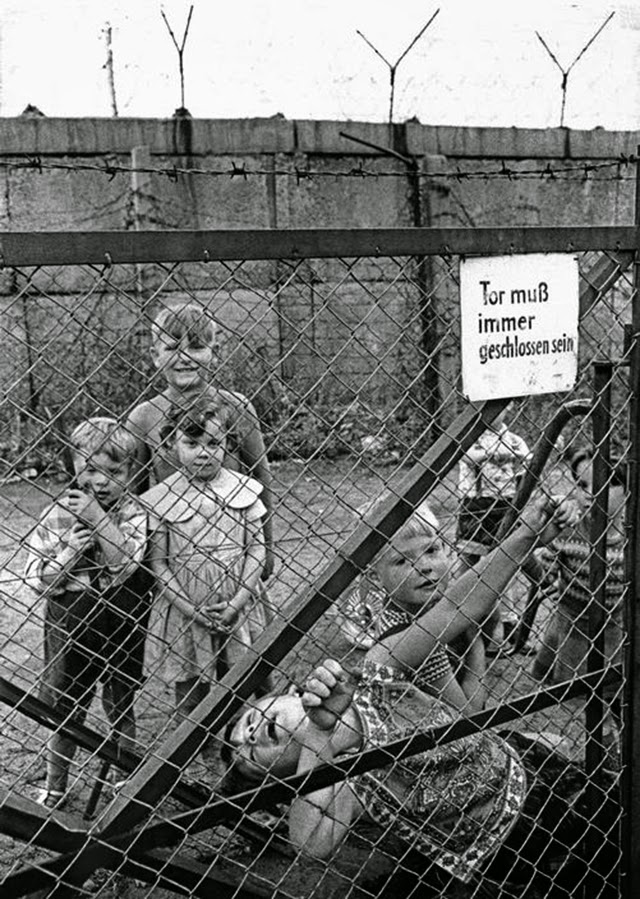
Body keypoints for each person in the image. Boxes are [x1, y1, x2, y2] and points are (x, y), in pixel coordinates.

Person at [223, 494, 619, 896]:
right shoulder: (343, 781)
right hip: (517, 837)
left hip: (527, 771)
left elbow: (456, 606)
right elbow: (310, 845)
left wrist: (528, 533)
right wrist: (317, 734)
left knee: (615, 808)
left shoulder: (377, 668)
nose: (249, 734)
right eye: (250, 753)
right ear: (282, 778)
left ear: (289, 694)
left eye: (249, 719)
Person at [23, 417, 150, 809]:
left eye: (115, 471)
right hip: (70, 619)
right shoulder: (56, 515)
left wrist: (97, 519)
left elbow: (124, 565)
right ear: (75, 467)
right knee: (65, 709)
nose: (102, 481)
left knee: (120, 703)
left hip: (120, 618)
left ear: (130, 472)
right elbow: (36, 578)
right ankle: (55, 783)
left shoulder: (133, 513)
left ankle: (124, 776)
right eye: (92, 470)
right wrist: (69, 554)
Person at [141, 395, 268, 769]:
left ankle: (243, 748)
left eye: (213, 443)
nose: (203, 453)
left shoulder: (244, 489)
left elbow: (256, 552)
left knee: (241, 677)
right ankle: (190, 755)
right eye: (191, 443)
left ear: (228, 443)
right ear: (171, 443)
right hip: (186, 607)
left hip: (238, 602)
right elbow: (159, 564)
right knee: (190, 685)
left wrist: (236, 603)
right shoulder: (162, 499)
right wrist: (190, 608)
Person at [126, 301, 275, 580]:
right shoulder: (143, 418)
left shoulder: (235, 408)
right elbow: (132, 496)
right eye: (172, 348)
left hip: (236, 549)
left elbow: (261, 477)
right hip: (175, 554)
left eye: (196, 347)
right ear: (155, 355)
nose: (185, 357)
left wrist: (266, 545)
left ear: (214, 352)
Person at [337, 500, 486, 713]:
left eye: (432, 550)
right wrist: (477, 642)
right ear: (374, 576)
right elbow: (470, 715)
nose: (424, 567)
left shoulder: (419, 609)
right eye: (401, 561)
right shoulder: (416, 638)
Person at [529, 448, 625, 754]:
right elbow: (539, 569)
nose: (588, 495)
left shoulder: (631, 536)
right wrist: (543, 531)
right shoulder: (570, 530)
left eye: (602, 484)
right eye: (581, 485)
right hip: (574, 630)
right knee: (595, 709)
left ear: (627, 488)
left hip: (617, 630)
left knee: (619, 696)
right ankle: (606, 763)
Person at [456, 407, 531, 651]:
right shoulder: (470, 434)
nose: (489, 412)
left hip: (505, 505)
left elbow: (527, 461)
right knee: (469, 563)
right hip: (476, 506)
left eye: (497, 405)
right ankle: (460, 620)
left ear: (508, 407)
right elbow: (468, 456)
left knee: (505, 564)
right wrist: (502, 452)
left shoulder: (513, 438)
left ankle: (510, 626)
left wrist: (503, 453)